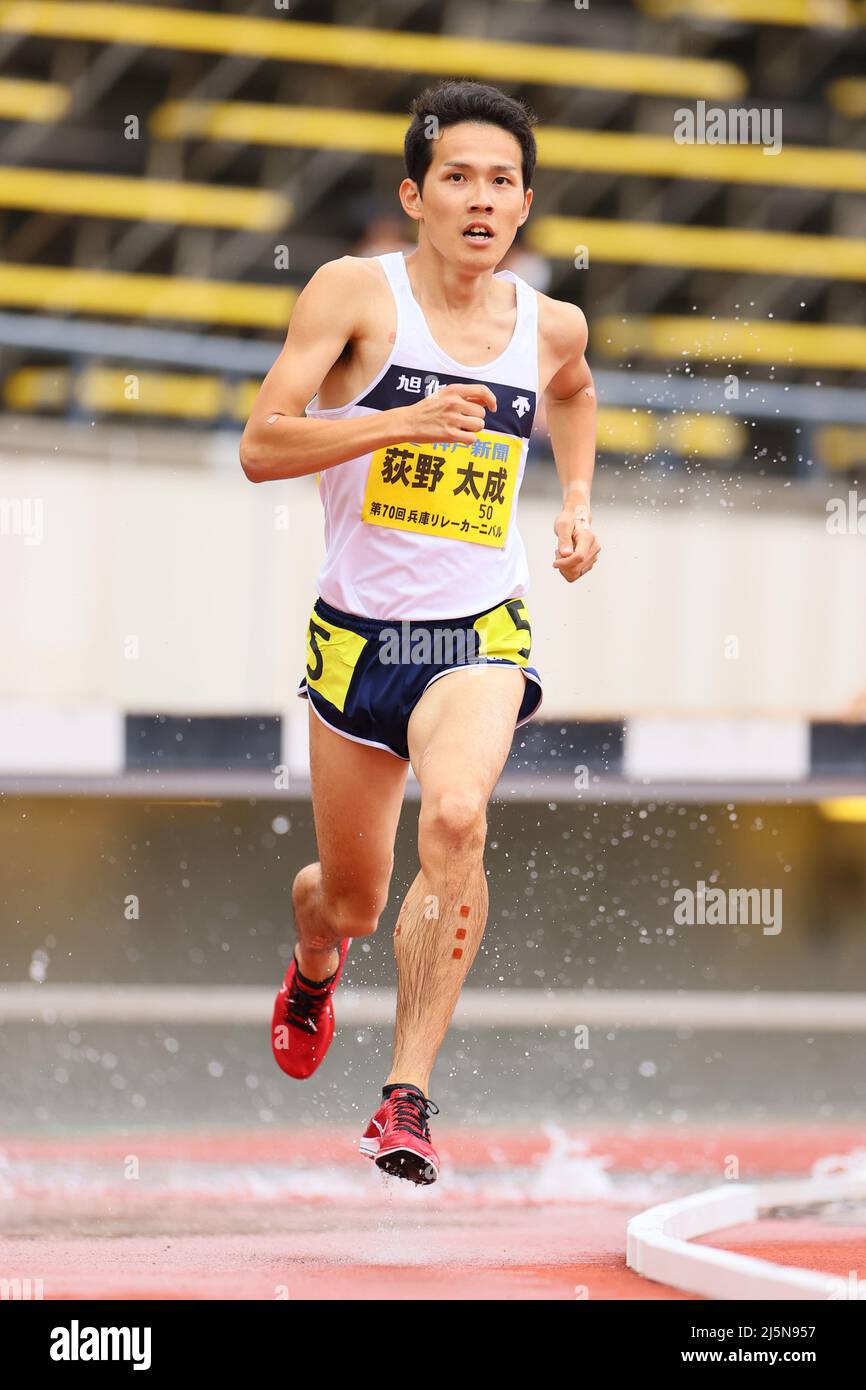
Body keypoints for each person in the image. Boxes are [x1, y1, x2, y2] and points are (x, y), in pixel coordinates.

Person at [240, 80, 600, 1186]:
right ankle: (313, 965)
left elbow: (575, 393)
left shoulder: (549, 324)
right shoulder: (355, 294)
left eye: (501, 182)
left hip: (475, 631)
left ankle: (405, 1095)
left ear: (524, 204)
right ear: (416, 196)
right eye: (457, 178)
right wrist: (395, 418)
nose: (479, 199)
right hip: (357, 641)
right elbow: (262, 443)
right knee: (347, 895)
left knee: (454, 817)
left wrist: (576, 501)